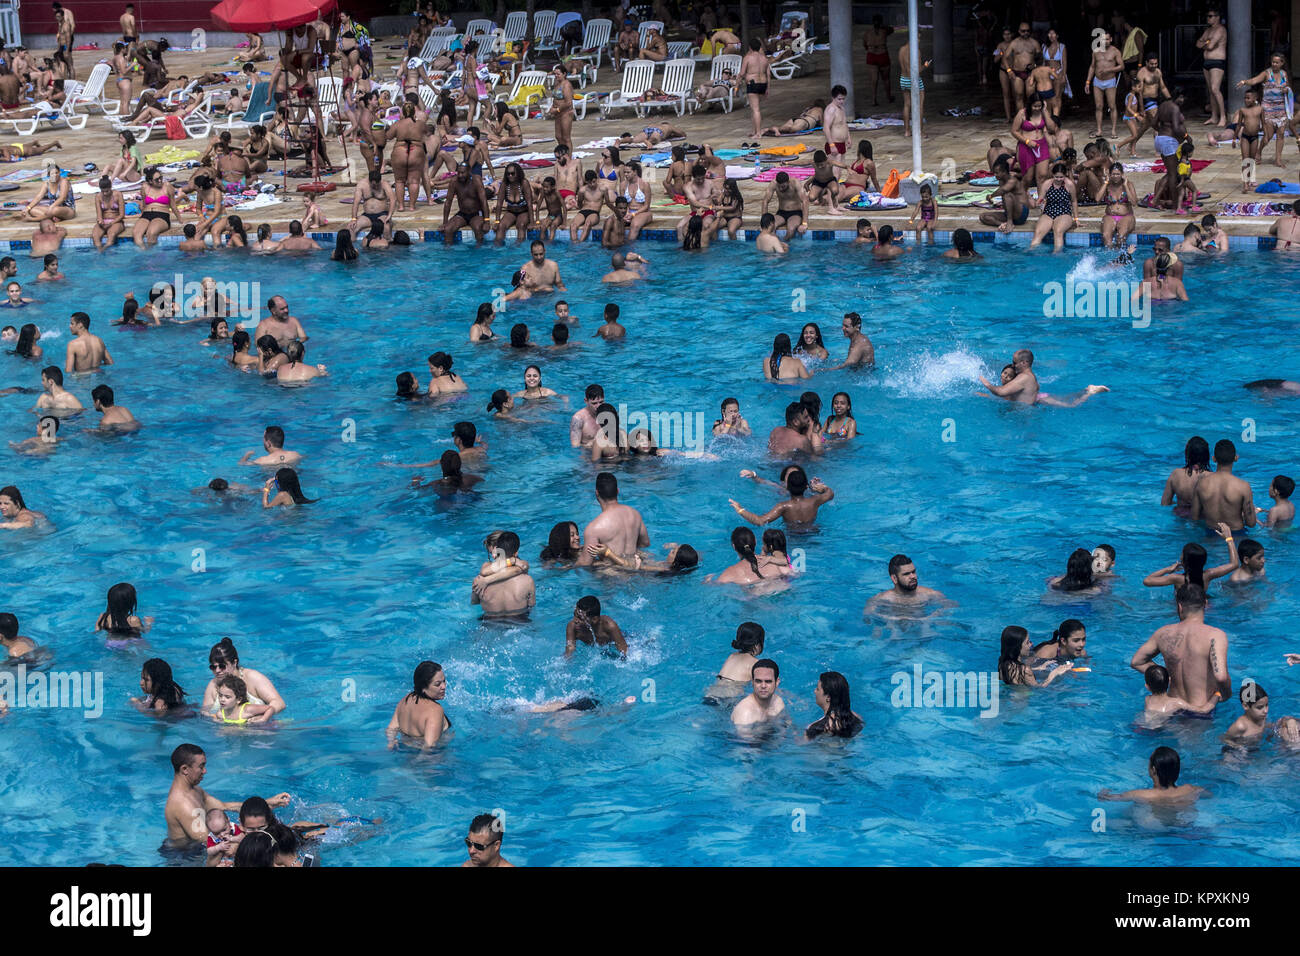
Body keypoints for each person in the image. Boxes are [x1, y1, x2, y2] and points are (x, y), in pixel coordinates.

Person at [164, 743, 291, 847]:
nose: (205, 771)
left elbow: (224, 806)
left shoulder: (194, 790)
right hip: (184, 857)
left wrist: (266, 804)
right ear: (185, 769)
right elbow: (208, 843)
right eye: (201, 766)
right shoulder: (182, 804)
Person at [1129, 584, 1230, 712]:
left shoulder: (1162, 633)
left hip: (1171, 709)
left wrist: (1164, 677)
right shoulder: (1215, 635)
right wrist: (1226, 695)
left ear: (1180, 607)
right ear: (1205, 603)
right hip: (1200, 711)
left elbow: (1136, 662)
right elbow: (1221, 676)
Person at [575, 472, 650, 568]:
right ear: (617, 491)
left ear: (596, 493)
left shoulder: (594, 528)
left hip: (611, 578)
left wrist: (566, 566)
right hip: (634, 571)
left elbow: (585, 563)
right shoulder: (635, 514)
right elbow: (645, 543)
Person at [202, 637, 286, 721]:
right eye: (213, 667)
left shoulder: (253, 678)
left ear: (234, 663)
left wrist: (262, 717)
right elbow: (206, 712)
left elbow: (279, 703)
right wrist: (214, 718)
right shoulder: (213, 685)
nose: (217, 671)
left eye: (222, 666)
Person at [729, 466, 833, 529]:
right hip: (813, 532)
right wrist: (818, 488)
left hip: (792, 538)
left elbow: (760, 521)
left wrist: (740, 510)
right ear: (806, 486)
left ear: (788, 487)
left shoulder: (784, 506)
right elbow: (830, 494)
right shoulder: (815, 500)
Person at [1099, 747, 1207, 804]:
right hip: (1184, 828)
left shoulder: (1139, 794)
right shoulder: (1191, 789)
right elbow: (1209, 795)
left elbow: (1104, 799)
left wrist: (1103, 792)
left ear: (1153, 770)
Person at [1190, 439, 1256, 532]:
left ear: (1214, 459)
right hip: (1236, 536)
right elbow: (1251, 523)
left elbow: (1194, 517)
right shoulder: (1243, 487)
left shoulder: (1201, 484)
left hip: (1210, 535)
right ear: (1236, 458)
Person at [386, 660, 450, 748]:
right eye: (437, 684)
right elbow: (429, 747)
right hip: (429, 757)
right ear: (423, 687)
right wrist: (417, 762)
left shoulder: (406, 699)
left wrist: (391, 742)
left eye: (444, 681)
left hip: (406, 751)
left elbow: (391, 728)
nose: (444, 686)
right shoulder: (434, 710)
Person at [472, 531, 535, 618]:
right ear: (515, 552)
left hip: (489, 622)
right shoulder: (527, 580)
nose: (493, 557)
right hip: (519, 622)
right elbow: (531, 606)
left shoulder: (480, 579)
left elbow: (474, 602)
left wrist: (487, 580)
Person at [864, 554, 949, 612]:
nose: (913, 576)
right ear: (894, 578)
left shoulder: (929, 594)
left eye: (913, 572)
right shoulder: (882, 599)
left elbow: (951, 606)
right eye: (906, 574)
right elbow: (868, 618)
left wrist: (935, 616)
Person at [998, 626, 1073, 686]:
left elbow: (1016, 675)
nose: (1031, 645)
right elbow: (1039, 688)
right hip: (1023, 702)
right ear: (1017, 647)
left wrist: (1039, 668)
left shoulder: (1003, 663)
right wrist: (1054, 673)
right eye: (1027, 643)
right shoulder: (1026, 670)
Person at [1161, 436, 1210, 517]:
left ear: (1188, 454)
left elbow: (1165, 503)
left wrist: (1178, 503)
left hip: (1181, 517)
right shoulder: (1212, 477)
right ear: (1206, 455)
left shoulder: (1176, 474)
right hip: (1201, 518)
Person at [805, 672, 863, 739]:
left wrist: (791, 725)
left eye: (818, 689)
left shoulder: (816, 728)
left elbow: (801, 745)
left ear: (828, 697)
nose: (815, 691)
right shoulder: (856, 718)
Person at [731, 658, 785, 726]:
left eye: (768, 681)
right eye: (758, 681)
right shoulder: (745, 714)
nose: (763, 686)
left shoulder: (778, 702)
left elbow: (788, 726)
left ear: (777, 682)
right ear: (752, 682)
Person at [1197, 9, 1228, 128]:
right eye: (1207, 16)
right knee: (1210, 90)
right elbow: (1197, 44)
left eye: (1210, 16)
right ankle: (1214, 116)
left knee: (1215, 89)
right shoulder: (1208, 30)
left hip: (1217, 62)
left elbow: (1209, 46)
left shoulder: (1220, 29)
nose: (1208, 18)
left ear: (1217, 17)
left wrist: (1205, 42)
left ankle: (1223, 116)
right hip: (1207, 62)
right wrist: (1206, 42)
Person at [740, 37, 770, 140]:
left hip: (753, 84)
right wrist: (767, 88)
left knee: (756, 110)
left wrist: (738, 80)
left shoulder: (748, 58)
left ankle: (758, 133)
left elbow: (743, 73)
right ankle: (754, 131)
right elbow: (768, 75)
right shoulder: (764, 58)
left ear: (750, 48)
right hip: (763, 84)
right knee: (754, 109)